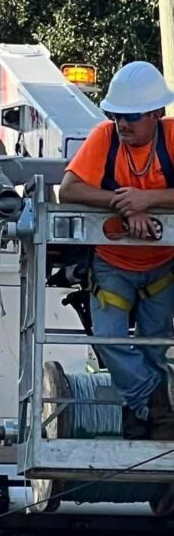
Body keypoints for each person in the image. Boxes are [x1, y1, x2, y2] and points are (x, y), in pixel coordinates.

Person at [60, 60, 174, 439]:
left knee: (153, 349)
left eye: (132, 117)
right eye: (116, 115)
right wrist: (123, 203)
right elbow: (70, 189)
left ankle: (142, 420)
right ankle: (155, 406)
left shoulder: (172, 140)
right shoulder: (104, 138)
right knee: (108, 341)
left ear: (157, 114)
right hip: (112, 266)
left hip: (162, 268)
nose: (122, 124)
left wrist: (148, 199)